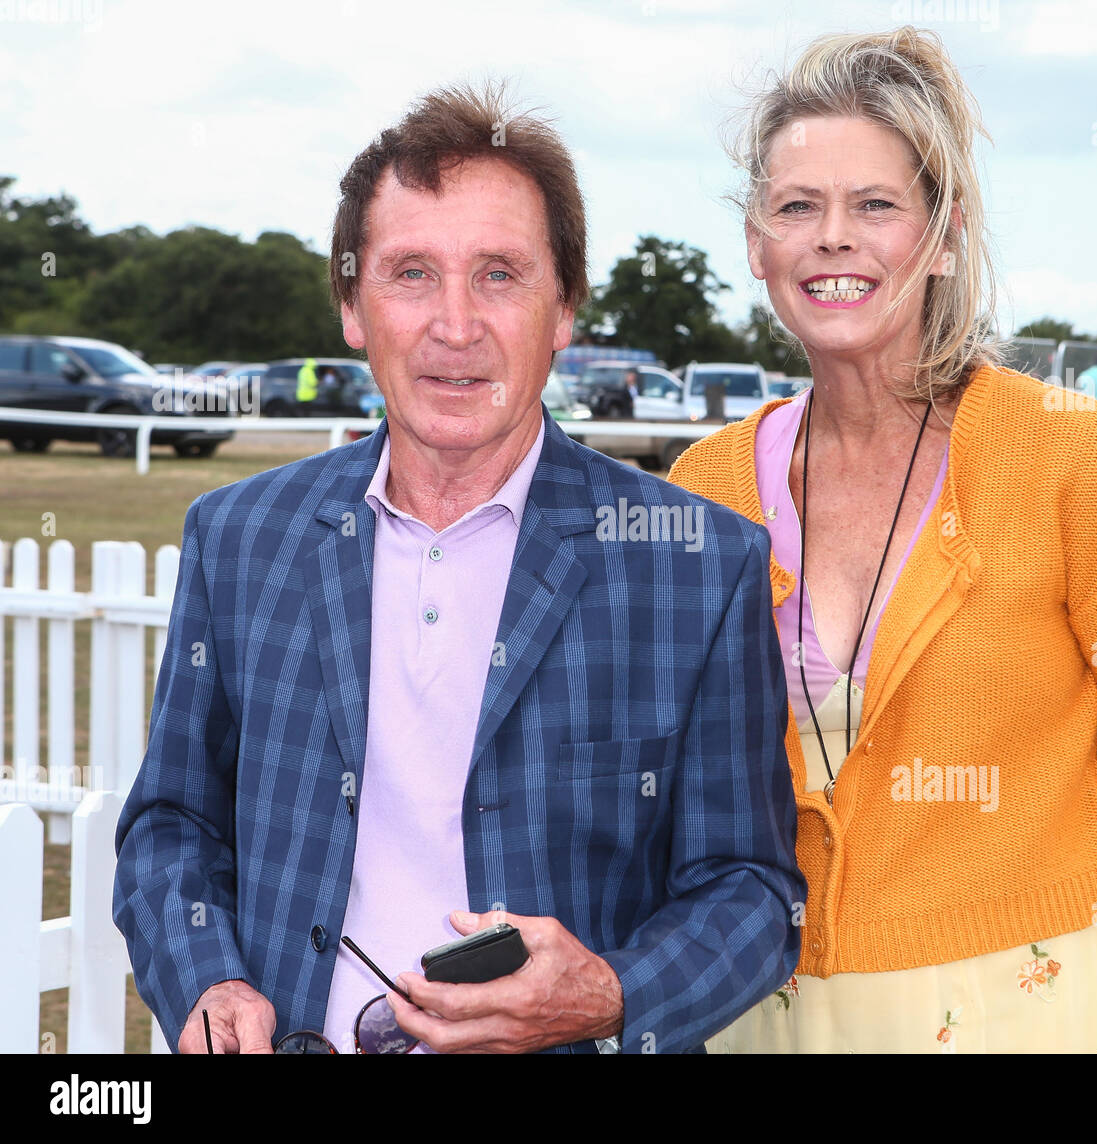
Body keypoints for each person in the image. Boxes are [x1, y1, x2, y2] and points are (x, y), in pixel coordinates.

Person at [113, 83, 803, 1055]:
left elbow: (752, 892)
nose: (454, 324)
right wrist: (209, 978)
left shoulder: (700, 565)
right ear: (352, 306)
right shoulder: (237, 536)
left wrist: (608, 991)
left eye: (498, 275)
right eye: (410, 274)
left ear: (564, 309)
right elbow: (173, 822)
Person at [669, 27, 1097, 1053]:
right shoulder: (703, 485)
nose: (834, 237)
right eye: (797, 206)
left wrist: (1044, 940)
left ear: (945, 234)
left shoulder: (1070, 456)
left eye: (876, 204)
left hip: (1018, 1004)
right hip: (758, 1013)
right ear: (757, 242)